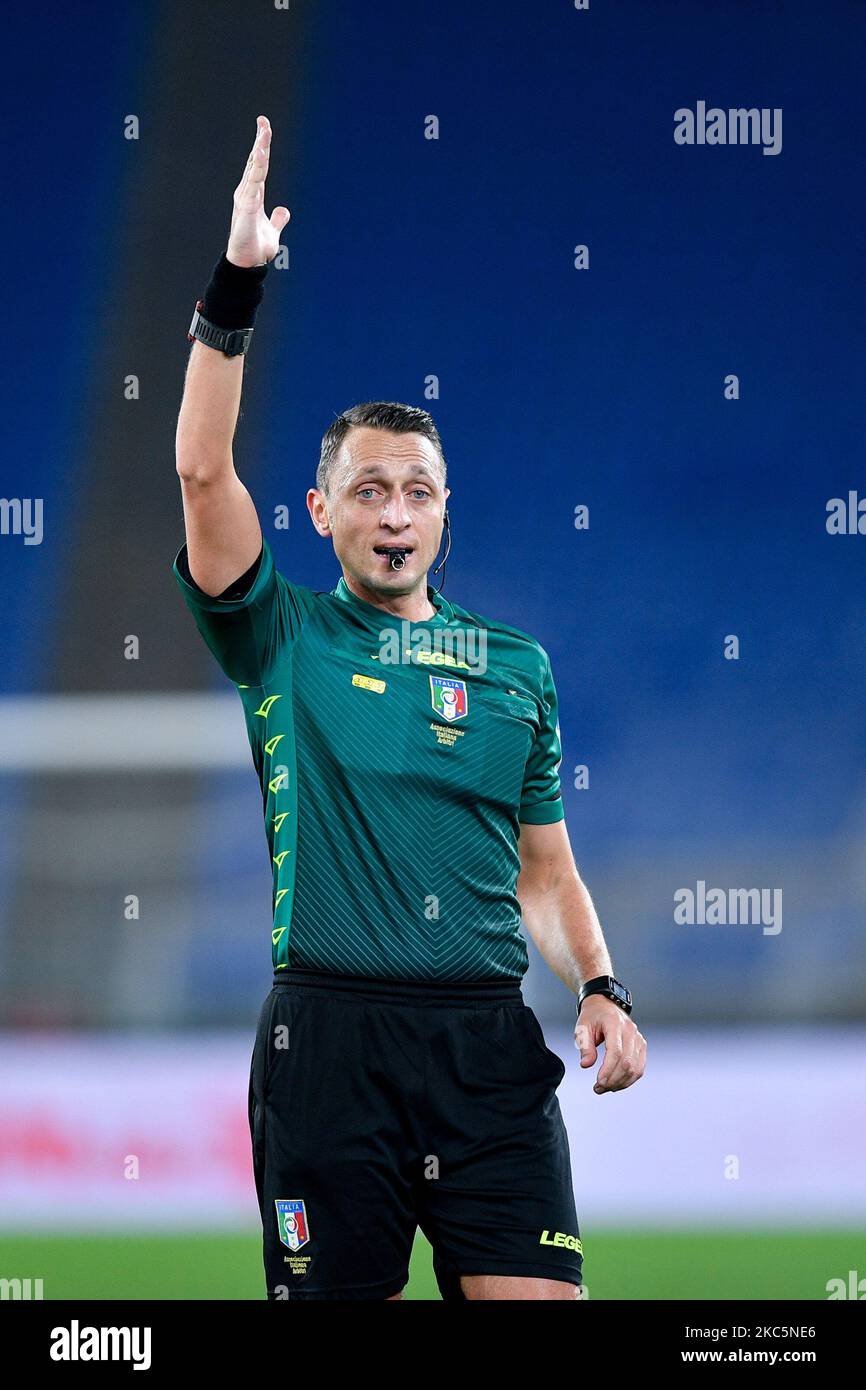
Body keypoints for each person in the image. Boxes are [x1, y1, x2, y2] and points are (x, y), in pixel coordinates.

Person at [173, 115, 646, 1302]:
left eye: (417, 491)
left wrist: (597, 984)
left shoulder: (515, 665)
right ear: (320, 513)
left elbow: (544, 873)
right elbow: (198, 469)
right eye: (368, 489)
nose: (395, 511)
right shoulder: (277, 635)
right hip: (327, 1047)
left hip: (488, 1048)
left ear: (444, 515)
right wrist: (236, 280)